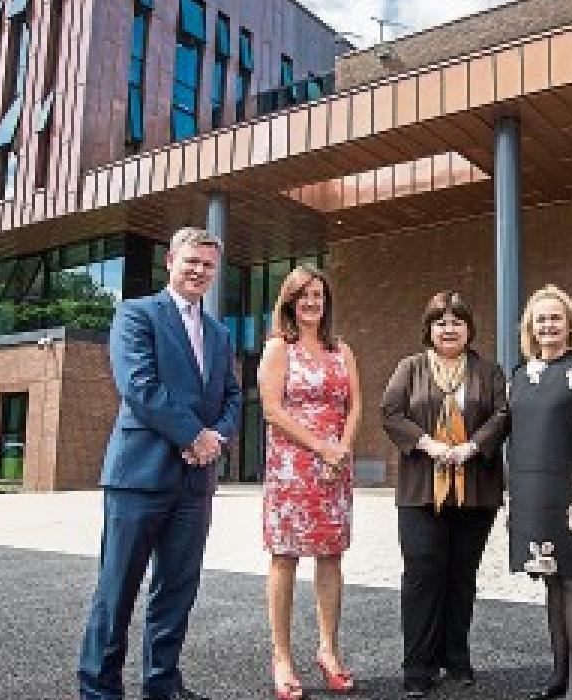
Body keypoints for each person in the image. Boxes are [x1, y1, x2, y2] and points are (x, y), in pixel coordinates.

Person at [79, 227, 243, 700]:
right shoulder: (135, 314)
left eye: (208, 265)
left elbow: (232, 395)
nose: (199, 271)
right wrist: (193, 435)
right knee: (117, 592)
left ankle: (163, 685)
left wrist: (216, 439)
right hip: (139, 476)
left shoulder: (218, 332)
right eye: (192, 261)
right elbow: (138, 385)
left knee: (176, 591)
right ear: (170, 261)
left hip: (194, 482)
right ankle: (100, 689)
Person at [380, 292, 509, 697]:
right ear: (429, 328)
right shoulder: (410, 368)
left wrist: (473, 446)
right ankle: (418, 667)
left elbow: (504, 415)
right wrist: (427, 444)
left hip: (476, 489)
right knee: (422, 577)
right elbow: (391, 413)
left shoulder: (489, 371)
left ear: (469, 328)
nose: (448, 328)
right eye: (440, 322)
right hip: (421, 490)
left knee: (461, 576)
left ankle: (456, 660)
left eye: (456, 321)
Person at [258, 265, 362, 700]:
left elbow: (355, 405)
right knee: (285, 558)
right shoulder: (279, 348)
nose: (311, 302)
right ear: (289, 301)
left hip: (334, 467)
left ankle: (329, 651)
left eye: (318, 295)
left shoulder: (342, 350)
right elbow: (271, 410)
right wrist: (323, 447)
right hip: (292, 467)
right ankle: (282, 657)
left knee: (331, 557)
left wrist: (340, 451)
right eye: (303, 295)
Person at [508, 285, 572, 700]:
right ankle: (557, 674)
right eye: (540, 318)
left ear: (569, 323)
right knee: (550, 582)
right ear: (530, 327)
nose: (548, 325)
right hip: (532, 492)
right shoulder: (520, 374)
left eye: (555, 317)